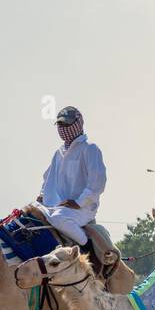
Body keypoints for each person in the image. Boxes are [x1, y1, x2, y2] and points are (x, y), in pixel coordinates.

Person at [34, 106, 108, 252]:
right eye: (60, 125)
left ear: (78, 123)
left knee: (58, 219)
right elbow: (48, 178)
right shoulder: (59, 152)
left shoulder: (90, 149)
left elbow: (97, 182)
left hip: (82, 208)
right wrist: (42, 196)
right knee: (31, 211)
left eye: (67, 124)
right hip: (59, 206)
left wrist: (79, 202)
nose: (63, 128)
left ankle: (88, 248)